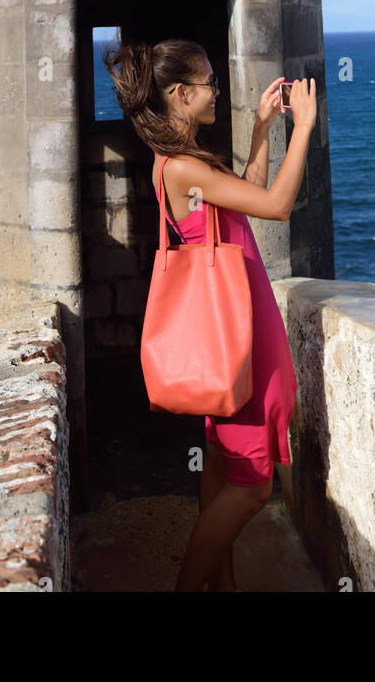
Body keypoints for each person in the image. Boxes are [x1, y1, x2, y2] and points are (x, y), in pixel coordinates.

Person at [103, 35, 316, 592]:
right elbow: (275, 206)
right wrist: (305, 129)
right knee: (250, 489)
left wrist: (264, 130)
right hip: (237, 332)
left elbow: (247, 195)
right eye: (208, 84)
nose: (216, 92)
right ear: (179, 94)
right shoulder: (180, 169)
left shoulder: (184, 163)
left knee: (222, 472)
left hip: (235, 329)